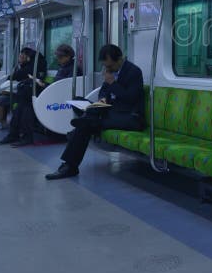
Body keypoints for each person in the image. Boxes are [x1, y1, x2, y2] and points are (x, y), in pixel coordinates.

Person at [46, 44, 144, 180]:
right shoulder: (111, 70)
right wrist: (102, 98)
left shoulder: (134, 72)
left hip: (130, 116)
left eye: (110, 66)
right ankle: (88, 118)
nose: (107, 69)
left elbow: (130, 99)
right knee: (77, 101)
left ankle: (70, 166)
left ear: (119, 59)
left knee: (84, 126)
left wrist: (113, 83)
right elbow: (104, 90)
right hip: (109, 110)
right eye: (105, 66)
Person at [0, 49, 47, 146]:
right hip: (27, 94)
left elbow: (17, 75)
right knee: (18, 110)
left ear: (28, 57)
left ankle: (26, 137)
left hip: (36, 95)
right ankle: (13, 135)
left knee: (25, 110)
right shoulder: (29, 65)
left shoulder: (35, 65)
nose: (20, 58)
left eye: (22, 56)